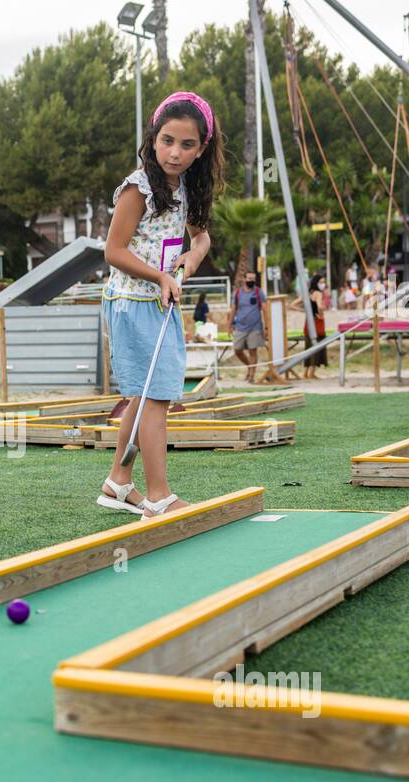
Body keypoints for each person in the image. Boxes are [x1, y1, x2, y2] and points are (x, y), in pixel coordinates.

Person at [99, 90, 222, 518]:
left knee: (143, 396)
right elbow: (113, 251)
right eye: (168, 140)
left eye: (187, 145)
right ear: (153, 138)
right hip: (134, 301)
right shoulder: (139, 188)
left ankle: (118, 481)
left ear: (202, 148)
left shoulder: (186, 186)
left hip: (161, 301)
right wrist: (161, 275)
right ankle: (158, 495)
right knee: (156, 397)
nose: (175, 152)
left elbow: (201, 236)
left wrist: (194, 256)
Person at [228, 270, 265, 384]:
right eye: (249, 278)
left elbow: (265, 309)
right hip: (240, 327)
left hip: (255, 327)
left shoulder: (259, 292)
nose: (251, 281)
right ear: (244, 279)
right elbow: (233, 309)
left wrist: (267, 326)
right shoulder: (238, 293)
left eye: (253, 279)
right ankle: (250, 367)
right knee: (237, 350)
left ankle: (252, 375)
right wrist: (229, 324)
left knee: (252, 351)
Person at [303, 274, 329, 379]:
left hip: (308, 322)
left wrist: (305, 311)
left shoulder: (308, 293)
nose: (323, 284)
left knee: (308, 346)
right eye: (321, 282)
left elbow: (293, 304)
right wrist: (322, 311)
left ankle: (305, 373)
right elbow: (319, 306)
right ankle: (311, 372)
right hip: (316, 322)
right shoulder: (318, 293)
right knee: (317, 345)